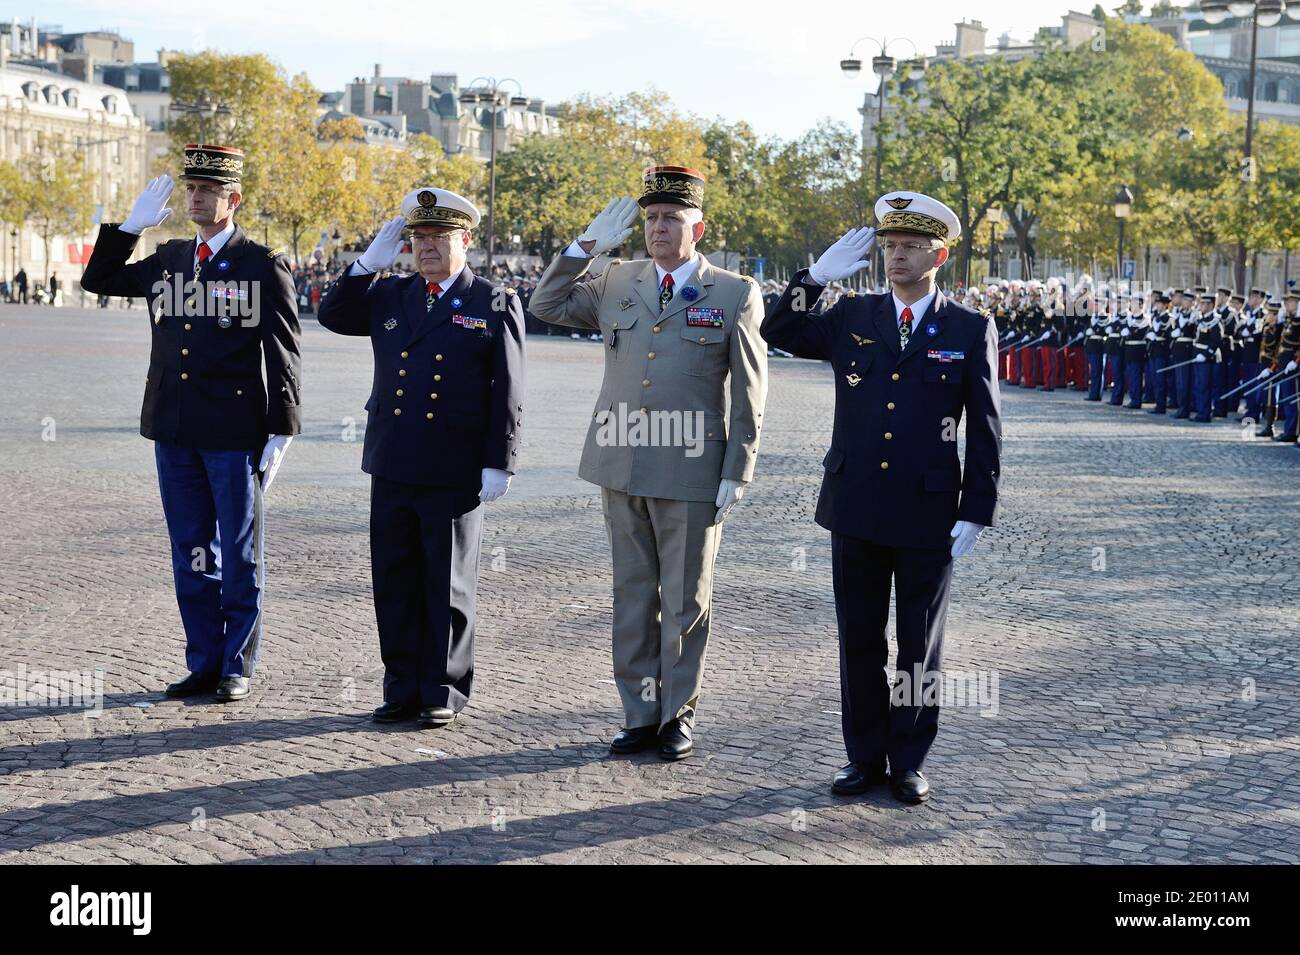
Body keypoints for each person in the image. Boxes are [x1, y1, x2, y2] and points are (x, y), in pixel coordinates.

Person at [761, 191, 1002, 804]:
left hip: (928, 510)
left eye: (911, 246)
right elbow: (776, 328)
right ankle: (864, 755)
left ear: (939, 254)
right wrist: (812, 278)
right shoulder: (853, 315)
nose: (896, 256)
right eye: (890, 246)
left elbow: (986, 425)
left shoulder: (969, 328)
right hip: (858, 503)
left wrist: (977, 508)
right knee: (859, 636)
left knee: (920, 641)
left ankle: (909, 758)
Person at [529, 166, 768, 761]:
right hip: (621, 459)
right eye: (651, 218)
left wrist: (738, 468)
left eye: (672, 219)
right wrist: (583, 248)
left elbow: (750, 389)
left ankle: (677, 715)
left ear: (698, 227)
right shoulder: (615, 278)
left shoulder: (733, 291)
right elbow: (546, 303)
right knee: (633, 592)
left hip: (691, 468)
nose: (659, 229)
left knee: (686, 597)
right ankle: (639, 712)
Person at [78, 144, 302, 701]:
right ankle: (203, 659)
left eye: (209, 191)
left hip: (232, 431)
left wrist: (282, 429)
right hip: (174, 427)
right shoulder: (173, 258)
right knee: (192, 549)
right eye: (192, 190)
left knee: (239, 550)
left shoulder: (262, 264)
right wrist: (129, 228)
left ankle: (237, 664)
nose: (197, 199)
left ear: (234, 199)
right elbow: (99, 280)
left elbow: (284, 352)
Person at [318, 188, 525, 728]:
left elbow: (508, 386)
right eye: (419, 237)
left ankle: (444, 688)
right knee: (395, 578)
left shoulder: (492, 300)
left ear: (467, 240)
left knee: (447, 583)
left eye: (438, 236)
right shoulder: (391, 293)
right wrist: (365, 265)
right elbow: (332, 314)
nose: (426, 247)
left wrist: (499, 459)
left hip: (454, 465)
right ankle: (401, 685)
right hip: (392, 457)